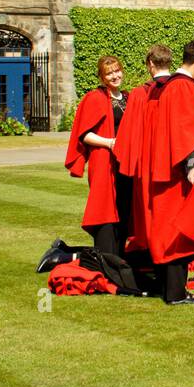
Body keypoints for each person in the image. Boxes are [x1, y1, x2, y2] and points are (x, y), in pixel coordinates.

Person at [140, 40, 194, 304]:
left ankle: (173, 289)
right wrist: (192, 164)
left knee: (170, 229)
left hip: (165, 169)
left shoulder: (166, 88)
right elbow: (185, 130)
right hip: (179, 173)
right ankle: (175, 293)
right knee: (178, 230)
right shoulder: (183, 88)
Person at [64, 55, 134, 257]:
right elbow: (84, 134)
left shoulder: (128, 98)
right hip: (105, 162)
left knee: (124, 208)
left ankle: (120, 257)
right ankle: (106, 256)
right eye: (109, 73)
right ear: (102, 78)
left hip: (126, 164)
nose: (115, 76)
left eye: (117, 70)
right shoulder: (95, 98)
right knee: (104, 208)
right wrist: (109, 143)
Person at [112, 44, 174, 254]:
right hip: (176, 164)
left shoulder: (140, 94)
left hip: (148, 165)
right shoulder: (183, 88)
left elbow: (129, 135)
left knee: (149, 213)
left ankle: (150, 254)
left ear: (150, 64)